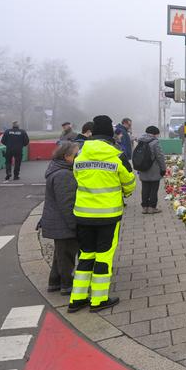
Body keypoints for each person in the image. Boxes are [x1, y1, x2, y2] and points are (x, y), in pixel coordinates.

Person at [69, 115, 135, 313]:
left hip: (83, 215)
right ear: (109, 134)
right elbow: (129, 180)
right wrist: (126, 192)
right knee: (104, 256)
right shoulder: (116, 156)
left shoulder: (80, 155)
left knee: (86, 254)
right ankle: (99, 299)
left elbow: (76, 177)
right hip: (108, 215)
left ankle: (77, 298)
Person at [39, 141, 79, 295]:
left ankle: (54, 282)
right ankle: (66, 285)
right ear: (67, 156)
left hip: (55, 221)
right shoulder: (64, 174)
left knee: (60, 254)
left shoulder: (56, 168)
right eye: (76, 154)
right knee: (67, 255)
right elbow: (67, 204)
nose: (78, 157)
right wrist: (74, 224)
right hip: (62, 223)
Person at [136, 126, 166, 214]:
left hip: (143, 168)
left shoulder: (140, 141)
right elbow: (160, 157)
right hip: (154, 170)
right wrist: (163, 169)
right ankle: (152, 207)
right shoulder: (155, 142)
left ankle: (144, 207)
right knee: (154, 189)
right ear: (154, 133)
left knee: (145, 188)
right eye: (157, 134)